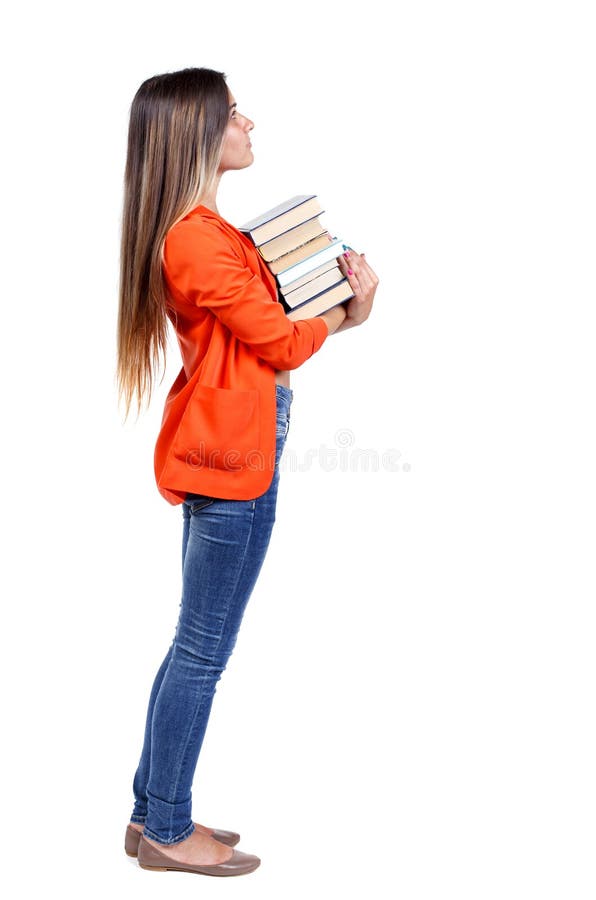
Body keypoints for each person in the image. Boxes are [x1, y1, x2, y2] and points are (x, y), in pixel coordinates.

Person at [116, 66, 378, 878]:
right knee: (203, 652)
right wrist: (348, 311)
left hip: (234, 444)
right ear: (196, 130)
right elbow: (286, 340)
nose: (249, 122)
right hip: (235, 456)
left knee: (192, 646)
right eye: (233, 112)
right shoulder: (196, 238)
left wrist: (336, 315)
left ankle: (150, 813)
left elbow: (277, 336)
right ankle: (168, 830)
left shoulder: (210, 232)